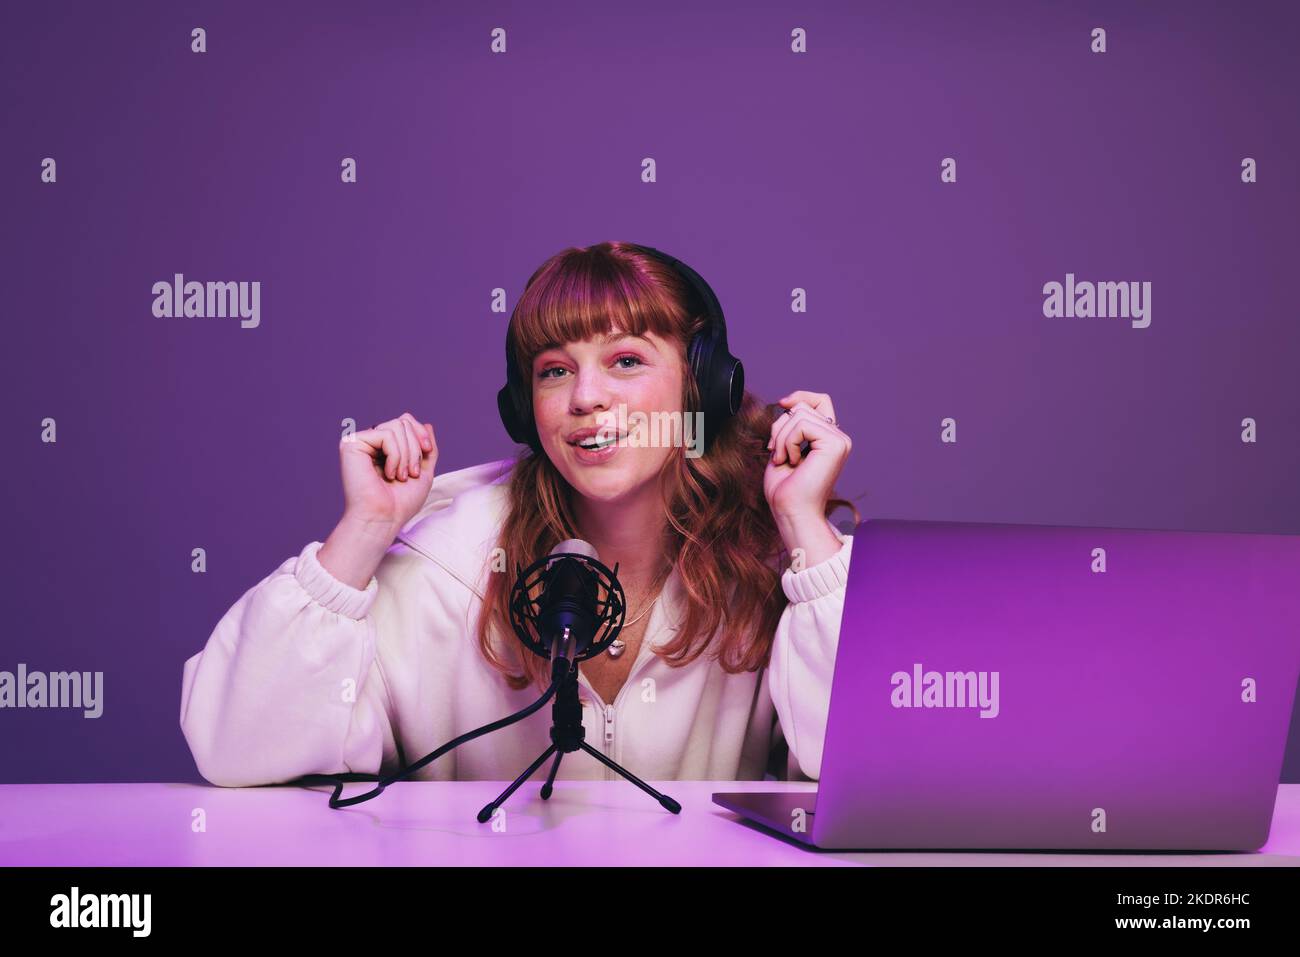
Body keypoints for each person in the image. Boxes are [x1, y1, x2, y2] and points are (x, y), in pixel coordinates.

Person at [179, 241, 859, 788]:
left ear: (704, 387)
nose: (586, 396)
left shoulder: (768, 559)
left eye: (625, 360)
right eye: (554, 371)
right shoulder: (440, 561)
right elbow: (235, 746)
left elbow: (868, 765)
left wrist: (803, 525)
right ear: (523, 409)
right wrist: (365, 530)